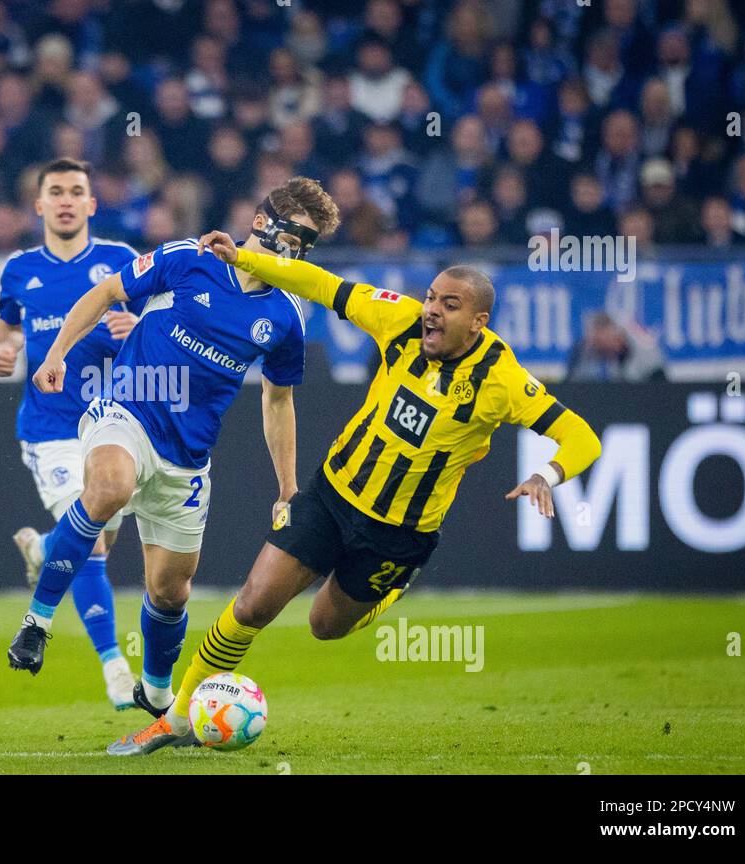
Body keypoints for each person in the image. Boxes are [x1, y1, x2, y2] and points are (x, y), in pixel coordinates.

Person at [109, 233, 602, 754]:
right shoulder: (399, 320)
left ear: (479, 322)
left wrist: (548, 475)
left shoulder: (501, 380)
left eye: (449, 305)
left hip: (398, 534)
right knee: (253, 604)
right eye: (432, 297)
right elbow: (322, 284)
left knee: (325, 626)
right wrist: (245, 258)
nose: (432, 311)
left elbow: (580, 436)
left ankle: (392, 584)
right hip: (331, 496)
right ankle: (176, 720)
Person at [5, 177, 340, 723]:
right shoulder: (190, 258)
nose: (299, 252)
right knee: (108, 488)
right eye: (295, 236)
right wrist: (58, 353)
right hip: (126, 410)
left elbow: (279, 402)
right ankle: (37, 623)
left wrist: (287, 488)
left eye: (309, 245)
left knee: (170, 592)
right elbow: (106, 293)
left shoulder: (284, 317)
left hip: (186, 458)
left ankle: (157, 695)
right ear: (262, 224)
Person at [0, 158, 142, 709]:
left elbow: (164, 323)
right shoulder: (18, 268)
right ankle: (114, 666)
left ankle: (43, 550)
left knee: (83, 540)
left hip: (113, 425)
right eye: (54, 191)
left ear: (91, 204)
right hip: (49, 428)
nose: (65, 200)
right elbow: (5, 324)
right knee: (95, 541)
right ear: (39, 205)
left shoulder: (120, 262)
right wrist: (4, 348)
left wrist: (139, 325)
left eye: (76, 191)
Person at [567, 310, 665, 382]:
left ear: (617, 337)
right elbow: (573, 382)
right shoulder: (585, 351)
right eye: (596, 342)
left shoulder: (645, 352)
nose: (599, 347)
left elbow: (658, 388)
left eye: (602, 342)